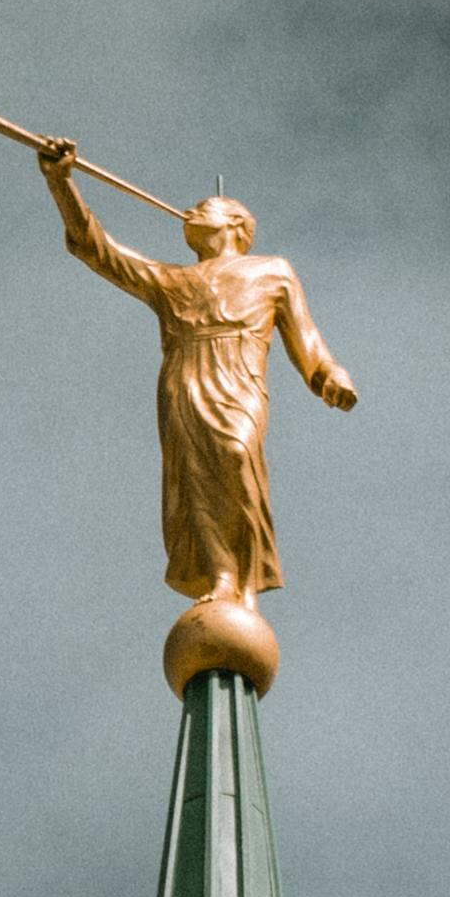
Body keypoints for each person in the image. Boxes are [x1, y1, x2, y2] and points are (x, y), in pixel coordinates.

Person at [37, 139, 356, 608]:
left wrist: (328, 373)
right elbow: (96, 249)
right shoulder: (171, 280)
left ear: (235, 224)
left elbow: (305, 337)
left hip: (239, 376)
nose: (191, 211)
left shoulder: (272, 271)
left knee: (236, 454)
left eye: (204, 208)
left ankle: (247, 580)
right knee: (195, 481)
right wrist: (60, 181)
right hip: (184, 380)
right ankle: (222, 577)